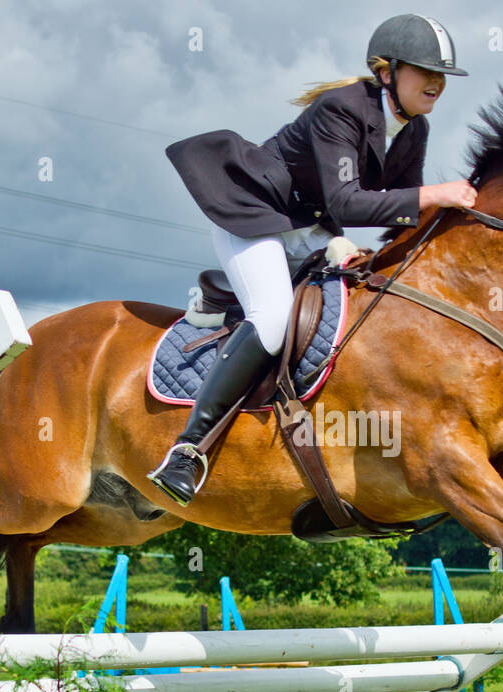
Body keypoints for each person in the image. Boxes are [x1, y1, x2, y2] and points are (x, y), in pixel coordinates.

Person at [148, 13, 479, 506]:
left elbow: (400, 207)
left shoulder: (414, 130)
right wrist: (436, 194)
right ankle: (187, 451)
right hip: (254, 211)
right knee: (273, 316)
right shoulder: (339, 109)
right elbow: (351, 202)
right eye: (424, 71)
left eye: (442, 76)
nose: (436, 83)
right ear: (387, 71)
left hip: (312, 225)